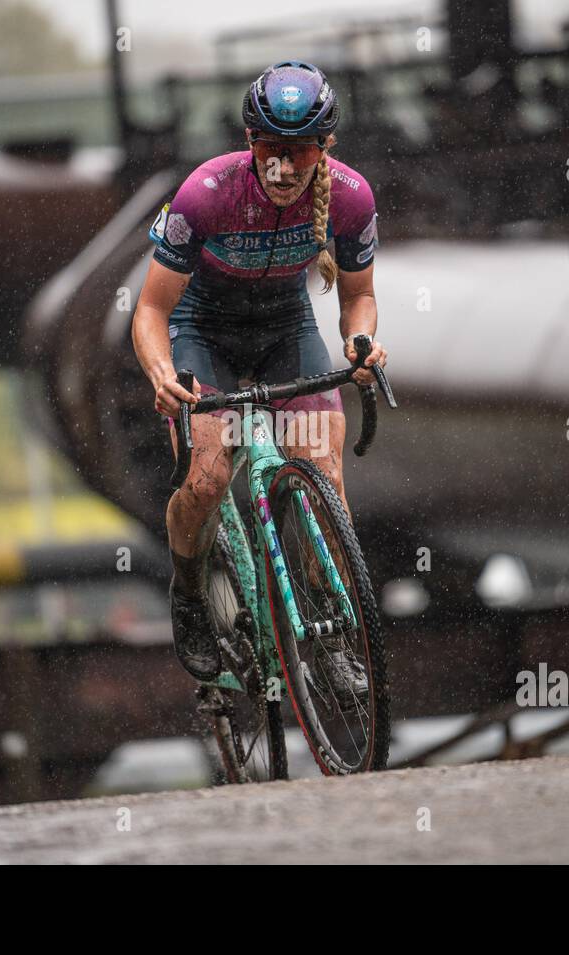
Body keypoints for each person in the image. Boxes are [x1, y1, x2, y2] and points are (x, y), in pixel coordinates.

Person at [131, 60, 388, 689]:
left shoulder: (352, 198)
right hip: (203, 330)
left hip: (285, 328)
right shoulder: (205, 193)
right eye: (270, 149)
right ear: (250, 142)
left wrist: (361, 341)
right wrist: (163, 373)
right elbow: (151, 308)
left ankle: (329, 626)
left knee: (323, 473)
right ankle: (190, 593)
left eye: (299, 152)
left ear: (324, 147)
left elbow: (358, 295)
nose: (283, 167)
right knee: (211, 477)